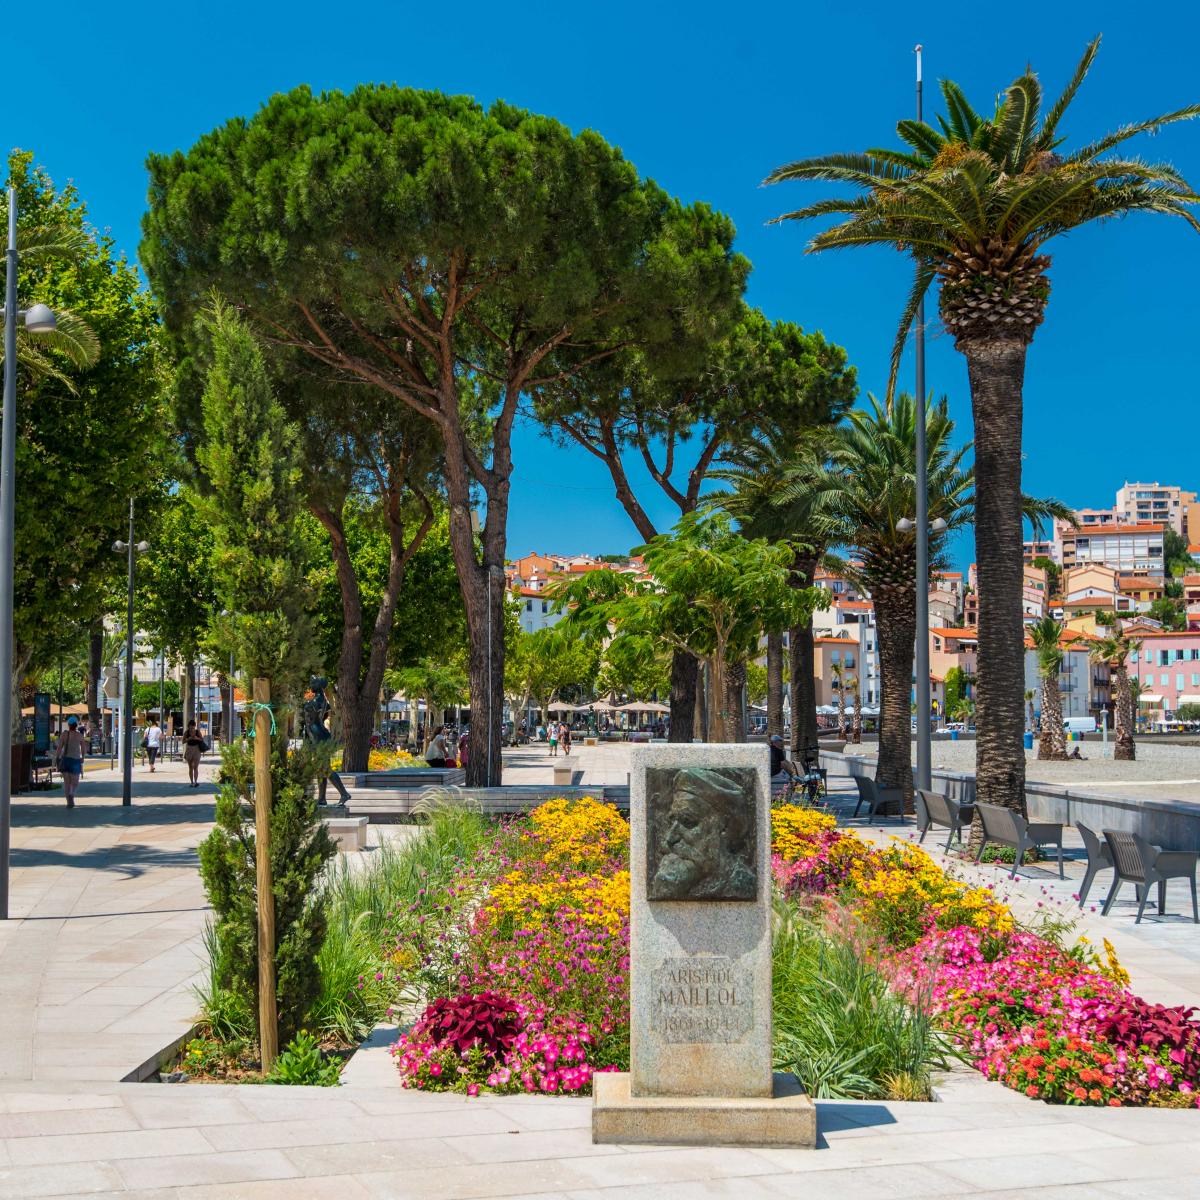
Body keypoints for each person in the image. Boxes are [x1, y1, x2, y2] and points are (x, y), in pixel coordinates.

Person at [55, 716, 87, 808]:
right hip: (75, 760)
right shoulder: (79, 736)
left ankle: (69, 802)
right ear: (76, 725)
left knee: (66, 782)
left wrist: (57, 758)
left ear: (68, 725)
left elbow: (59, 748)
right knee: (75, 782)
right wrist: (83, 758)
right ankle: (72, 793)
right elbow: (83, 749)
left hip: (65, 760)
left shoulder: (64, 734)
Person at [183, 720, 206, 787]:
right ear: (188, 727)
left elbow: (202, 739)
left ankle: (195, 782)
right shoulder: (186, 732)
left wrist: (197, 738)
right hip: (189, 749)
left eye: (193, 728)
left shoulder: (197, 732)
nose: (192, 729)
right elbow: (183, 741)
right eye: (190, 728)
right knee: (190, 767)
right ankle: (191, 782)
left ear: (194, 726)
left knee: (196, 767)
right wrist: (188, 739)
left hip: (197, 749)